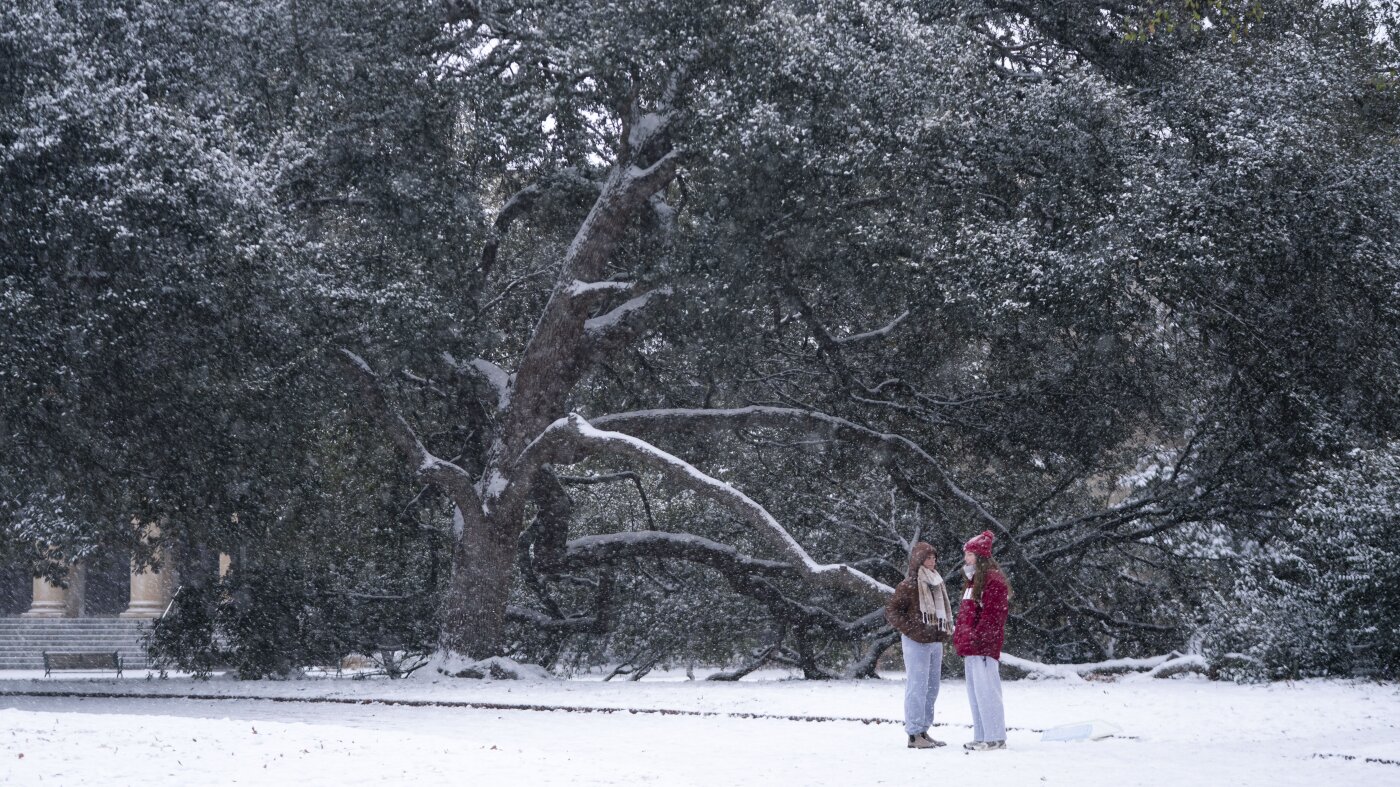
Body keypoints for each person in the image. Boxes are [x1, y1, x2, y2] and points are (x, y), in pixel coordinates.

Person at [884, 541, 954, 749]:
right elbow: (891, 611)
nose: (933, 561)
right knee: (917, 686)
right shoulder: (909, 585)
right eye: (928, 558)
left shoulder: (936, 581)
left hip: (935, 641)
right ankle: (914, 734)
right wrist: (913, 630)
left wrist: (942, 632)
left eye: (934, 558)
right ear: (919, 560)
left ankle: (924, 729)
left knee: (932, 687)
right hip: (916, 642)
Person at [953, 529, 1011, 751]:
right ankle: (982, 735)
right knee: (976, 693)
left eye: (970, 554)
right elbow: (968, 615)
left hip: (983, 647)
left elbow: (993, 616)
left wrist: (978, 638)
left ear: (981, 556)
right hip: (972, 646)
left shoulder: (993, 581)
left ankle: (995, 736)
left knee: (987, 691)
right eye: (966, 554)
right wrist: (963, 637)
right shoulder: (973, 581)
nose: (966, 558)